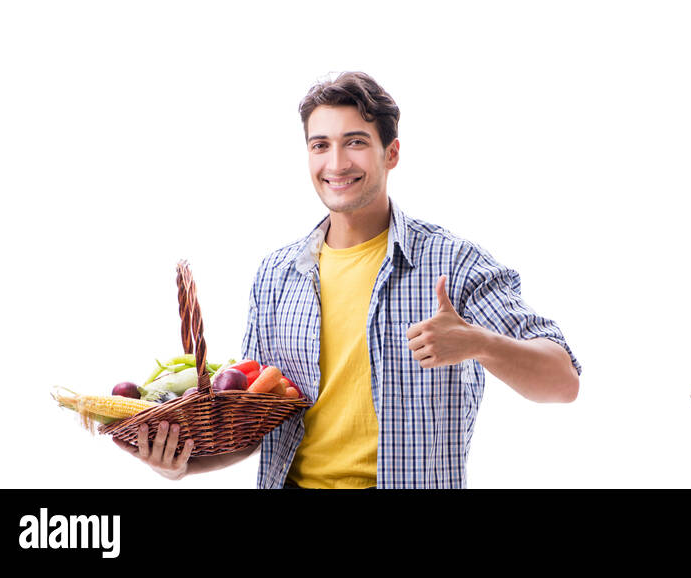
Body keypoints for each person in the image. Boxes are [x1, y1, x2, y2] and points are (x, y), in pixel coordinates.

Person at [117, 71, 581, 488]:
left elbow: (562, 381)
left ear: (391, 152)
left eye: (355, 142)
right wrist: (178, 464)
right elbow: (256, 424)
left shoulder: (453, 262)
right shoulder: (278, 276)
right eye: (320, 145)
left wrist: (479, 343)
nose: (336, 163)